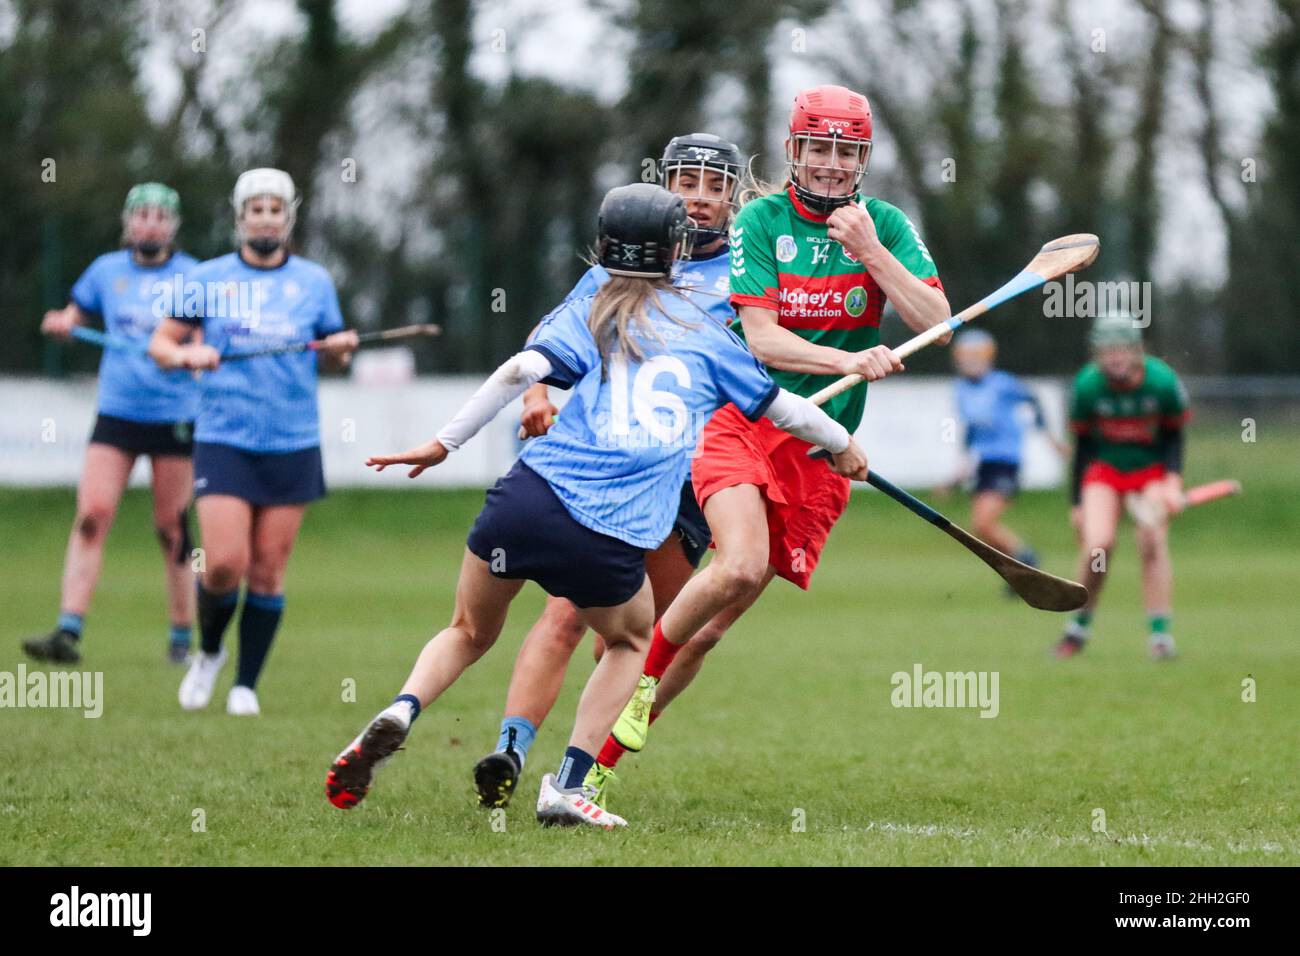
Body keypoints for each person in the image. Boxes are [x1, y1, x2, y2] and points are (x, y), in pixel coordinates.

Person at [323, 183, 868, 828]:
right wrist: (843, 446)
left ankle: (403, 708)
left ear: (603, 247)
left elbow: (518, 373)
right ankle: (570, 786)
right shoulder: (709, 335)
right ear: (674, 254)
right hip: (607, 537)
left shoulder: (589, 311)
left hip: (523, 502)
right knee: (634, 639)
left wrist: (443, 444)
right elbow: (786, 409)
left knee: (468, 630)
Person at [586, 84, 952, 801]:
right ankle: (640, 685)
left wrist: (874, 254)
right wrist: (849, 359)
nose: (830, 166)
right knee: (739, 565)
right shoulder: (760, 220)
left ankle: (591, 772)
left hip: (819, 450)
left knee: (714, 629)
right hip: (745, 420)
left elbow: (935, 318)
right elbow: (762, 337)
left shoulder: (884, 225)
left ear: (863, 159)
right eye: (819, 149)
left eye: (845, 152)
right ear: (794, 150)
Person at [471, 133, 747, 810]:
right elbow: (551, 337)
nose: (700, 199)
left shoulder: (748, 275)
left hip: (689, 477)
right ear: (665, 185)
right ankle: (512, 749)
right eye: (687, 182)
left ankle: (577, 771)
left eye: (715, 188)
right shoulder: (625, 258)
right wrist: (537, 396)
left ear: (735, 199)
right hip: (611, 473)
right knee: (565, 612)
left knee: (641, 635)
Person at [147, 168, 359, 714]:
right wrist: (187, 354)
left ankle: (245, 685)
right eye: (255, 209)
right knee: (220, 564)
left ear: (289, 217)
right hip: (224, 437)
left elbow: (334, 357)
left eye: (275, 209)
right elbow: (161, 345)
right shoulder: (208, 278)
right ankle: (209, 651)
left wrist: (340, 347)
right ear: (239, 217)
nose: (265, 218)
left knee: (267, 569)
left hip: (292, 441)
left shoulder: (315, 281)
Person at [23, 183, 199, 665]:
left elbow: (204, 334)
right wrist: (62, 322)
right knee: (91, 516)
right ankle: (68, 630)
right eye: (141, 214)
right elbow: (74, 314)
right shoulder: (106, 271)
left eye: (161, 216)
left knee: (172, 530)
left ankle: (182, 638)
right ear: (127, 222)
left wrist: (191, 354)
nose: (150, 224)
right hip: (118, 412)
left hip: (175, 417)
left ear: (173, 226)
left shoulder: (193, 276)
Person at [1055, 314, 1190, 660]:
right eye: (1106, 350)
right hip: (1104, 471)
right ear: (1096, 354)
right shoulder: (1087, 386)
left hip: (1151, 472)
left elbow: (1174, 435)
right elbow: (1083, 448)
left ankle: (1160, 637)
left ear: (1137, 350)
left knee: (1151, 540)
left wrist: (1173, 482)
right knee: (1098, 546)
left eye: (1121, 349)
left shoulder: (1161, 382)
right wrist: (1077, 505)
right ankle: (1077, 628)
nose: (1114, 357)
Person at [950, 328, 1066, 580]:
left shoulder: (1003, 384)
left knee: (983, 524)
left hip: (1006, 461)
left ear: (988, 357)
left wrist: (1048, 436)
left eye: (976, 355)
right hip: (984, 464)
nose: (970, 361)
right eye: (965, 356)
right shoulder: (960, 390)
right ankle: (1020, 572)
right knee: (980, 528)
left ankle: (1027, 559)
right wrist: (962, 465)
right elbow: (970, 430)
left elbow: (1033, 400)